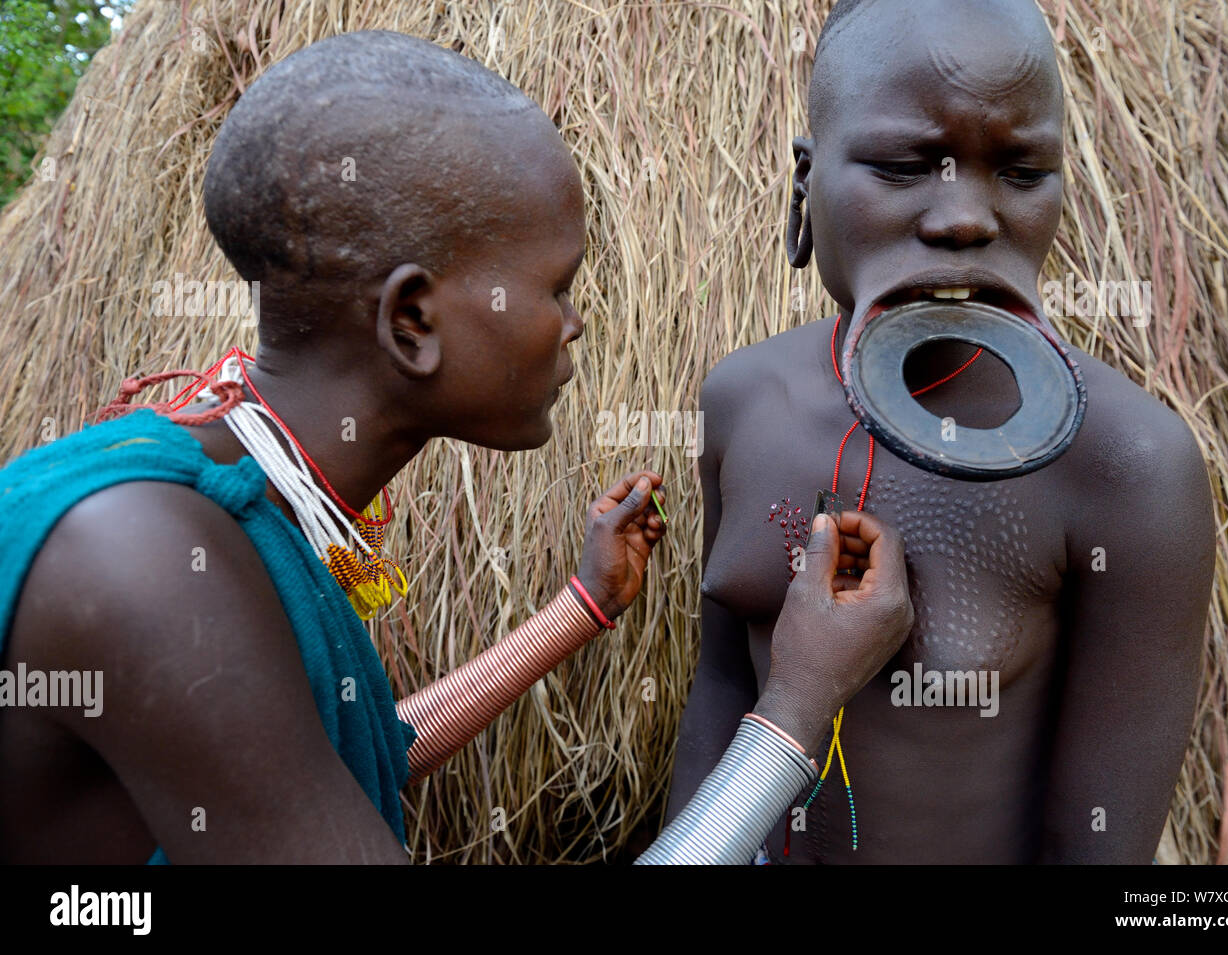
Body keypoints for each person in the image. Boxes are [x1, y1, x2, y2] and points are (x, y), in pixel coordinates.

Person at [0, 29, 913, 866]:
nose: (577, 322)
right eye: (554, 287)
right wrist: (794, 708)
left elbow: (358, 752)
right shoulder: (147, 561)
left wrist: (582, 607)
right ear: (412, 322)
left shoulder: (238, 503)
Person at [668, 0, 1216, 864]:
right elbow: (718, 694)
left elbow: (1099, 852)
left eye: (1023, 170)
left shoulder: (1127, 464)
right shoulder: (742, 399)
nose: (965, 218)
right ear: (804, 183)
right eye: (901, 164)